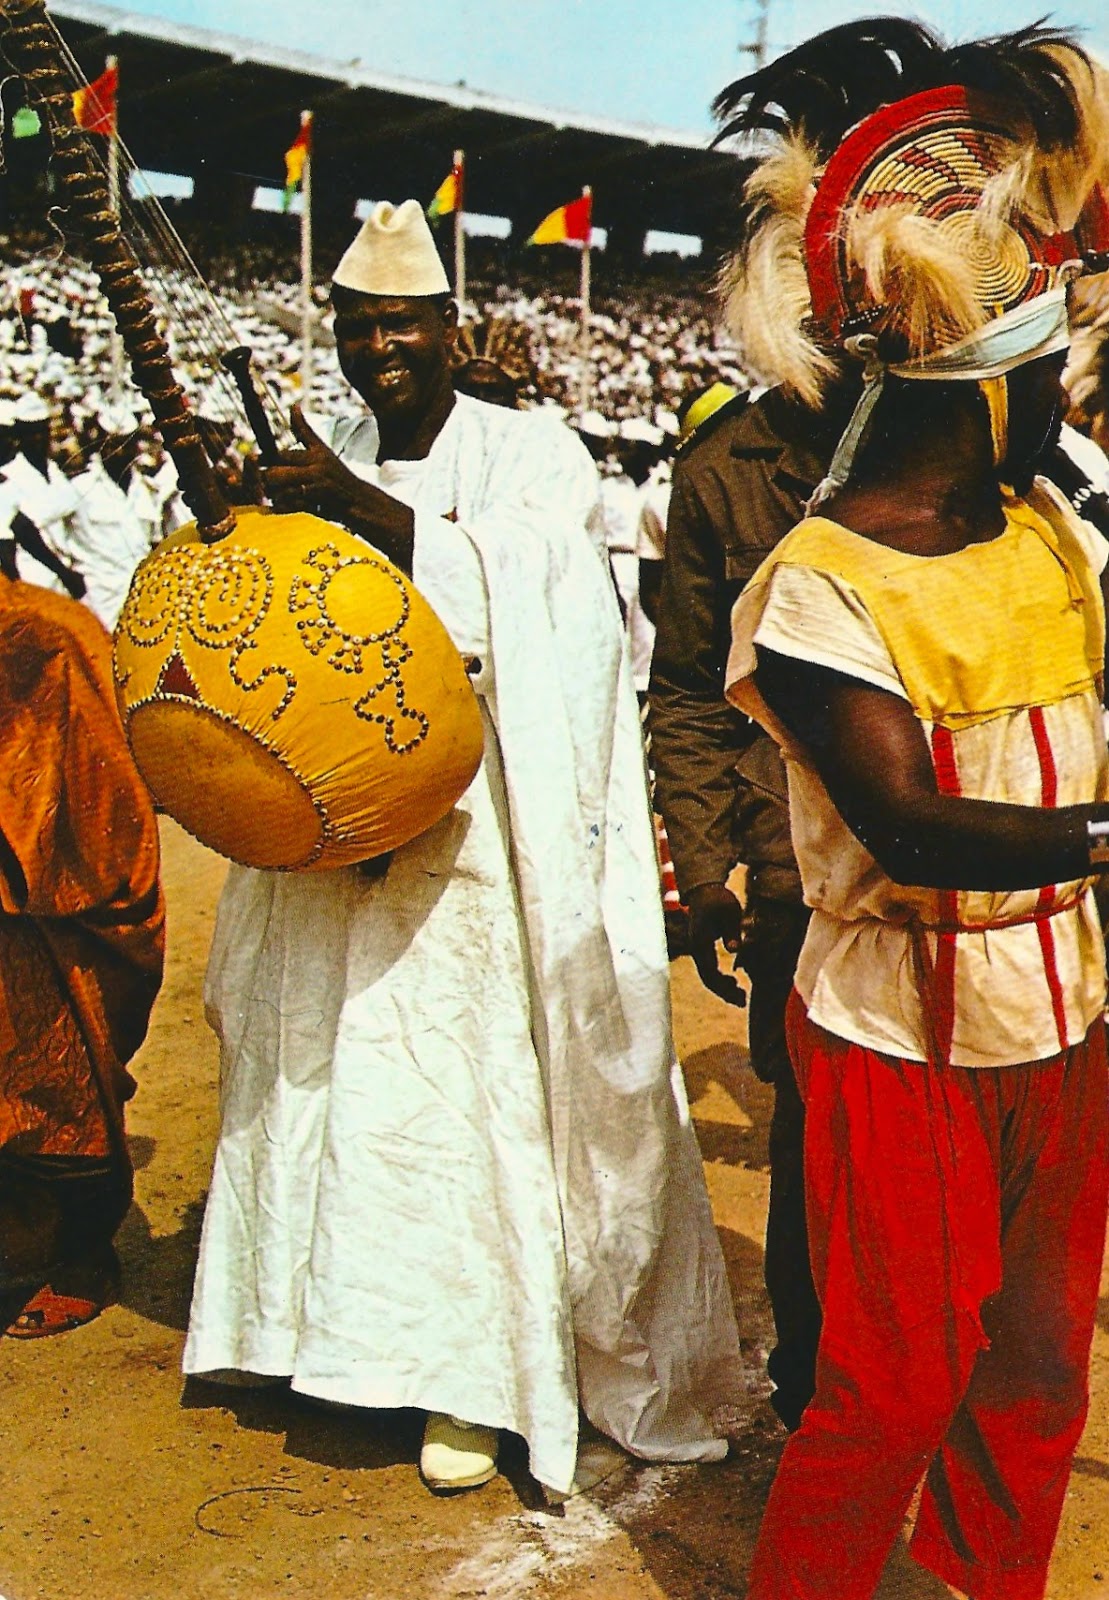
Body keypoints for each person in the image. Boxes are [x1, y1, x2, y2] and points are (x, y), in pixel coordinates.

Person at [183, 199, 742, 1500]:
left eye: (404, 324)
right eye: (361, 325)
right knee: (347, 1095)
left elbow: (563, 601)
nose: (383, 347)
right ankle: (326, 1337)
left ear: (446, 327)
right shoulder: (326, 450)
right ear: (336, 330)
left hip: (477, 854)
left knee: (465, 1111)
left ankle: (477, 1385)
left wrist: (371, 515)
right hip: (343, 857)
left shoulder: (528, 449)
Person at [718, 20, 1109, 1598]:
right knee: (883, 1393)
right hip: (898, 1041)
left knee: (1033, 1372)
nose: (1064, 403)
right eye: (1045, 375)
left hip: (1063, 1012)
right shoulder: (817, 587)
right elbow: (915, 832)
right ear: (970, 389)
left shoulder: (1054, 533)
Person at [649, 375, 859, 1431]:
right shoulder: (721, 467)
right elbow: (686, 685)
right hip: (795, 877)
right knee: (810, 1150)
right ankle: (814, 1399)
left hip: (950, 866)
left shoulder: (978, 434)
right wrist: (700, 866)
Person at [0, 570, 164, 1336]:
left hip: (34, 918)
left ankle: (82, 1254)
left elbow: (109, 815)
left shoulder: (45, 634)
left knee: (50, 1091)